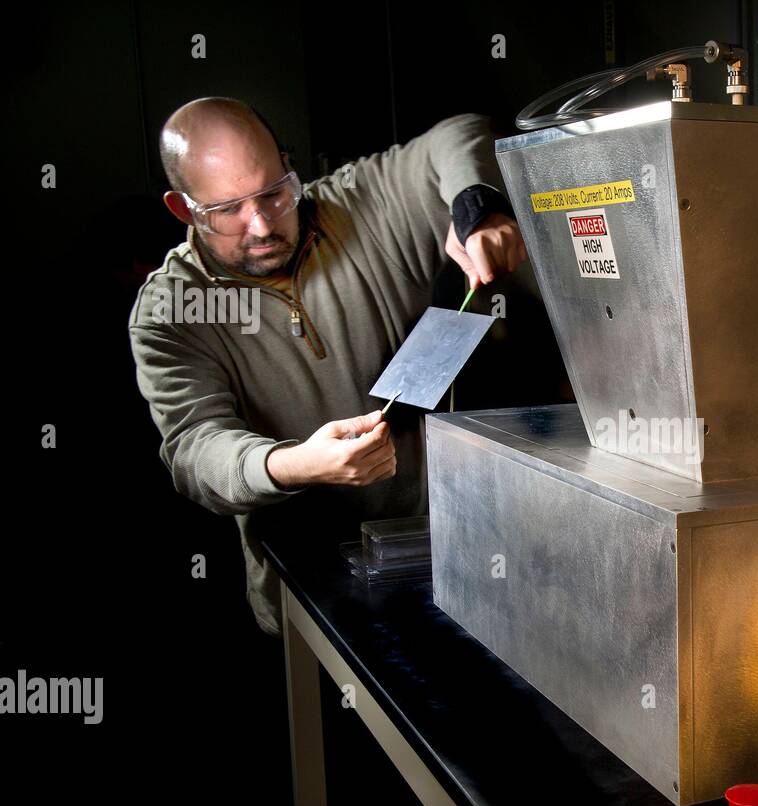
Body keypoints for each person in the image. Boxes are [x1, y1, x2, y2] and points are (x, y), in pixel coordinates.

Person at [129, 97, 527, 636]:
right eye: (228, 210)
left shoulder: (355, 206)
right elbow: (196, 451)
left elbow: (457, 133)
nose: (263, 224)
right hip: (310, 607)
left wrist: (477, 208)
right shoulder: (171, 311)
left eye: (274, 192)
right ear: (184, 210)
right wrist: (296, 464)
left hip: (447, 562)